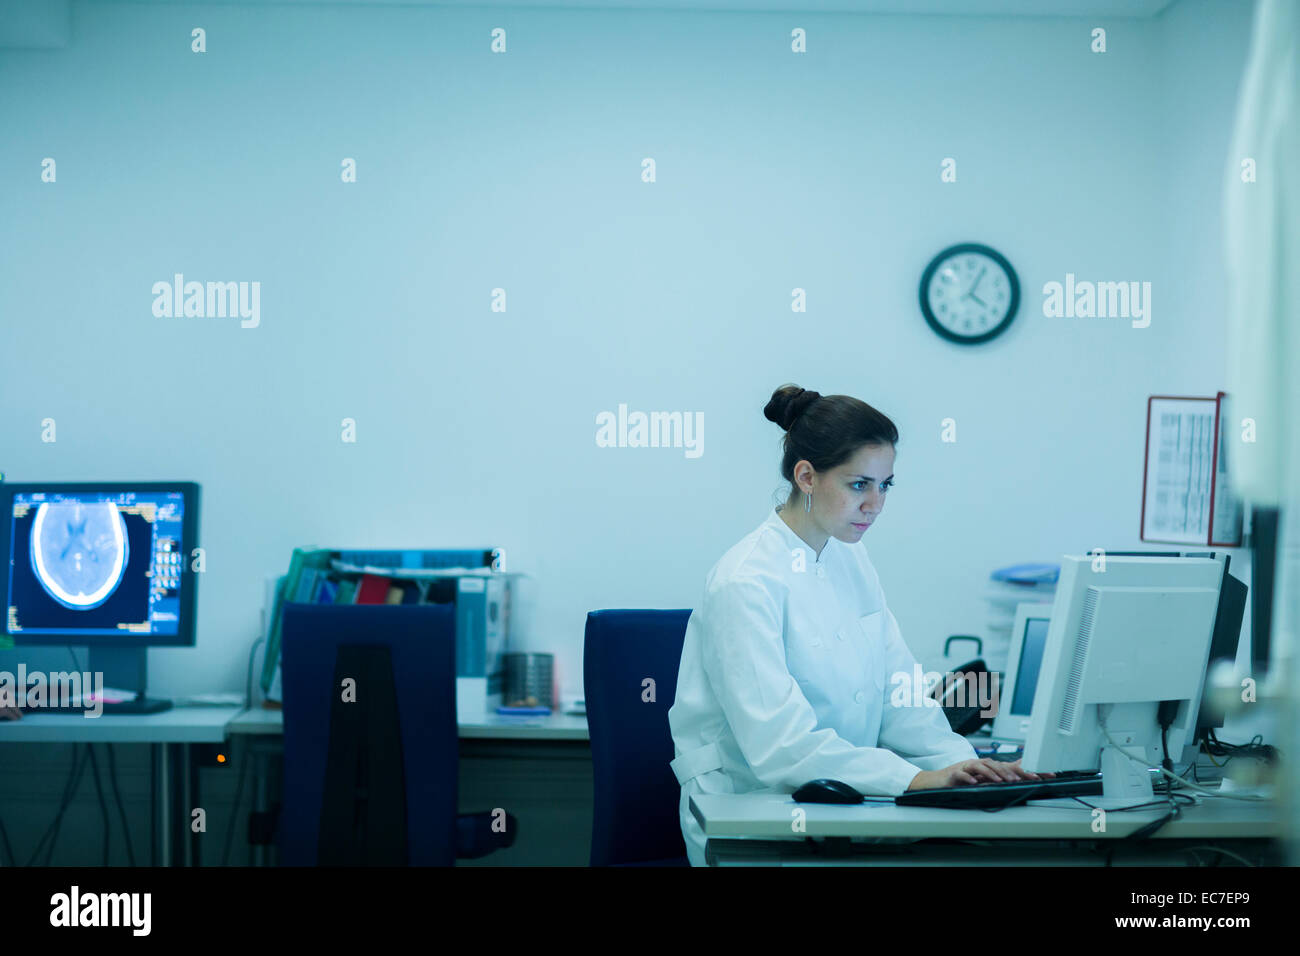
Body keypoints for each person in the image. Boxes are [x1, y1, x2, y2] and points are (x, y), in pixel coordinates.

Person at [667, 384, 1042, 866]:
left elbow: (899, 696)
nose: (876, 504)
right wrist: (911, 779)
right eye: (858, 484)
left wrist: (963, 767)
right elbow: (782, 747)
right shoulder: (744, 581)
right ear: (806, 476)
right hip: (749, 813)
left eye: (885, 485)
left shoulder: (851, 559)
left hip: (842, 807)